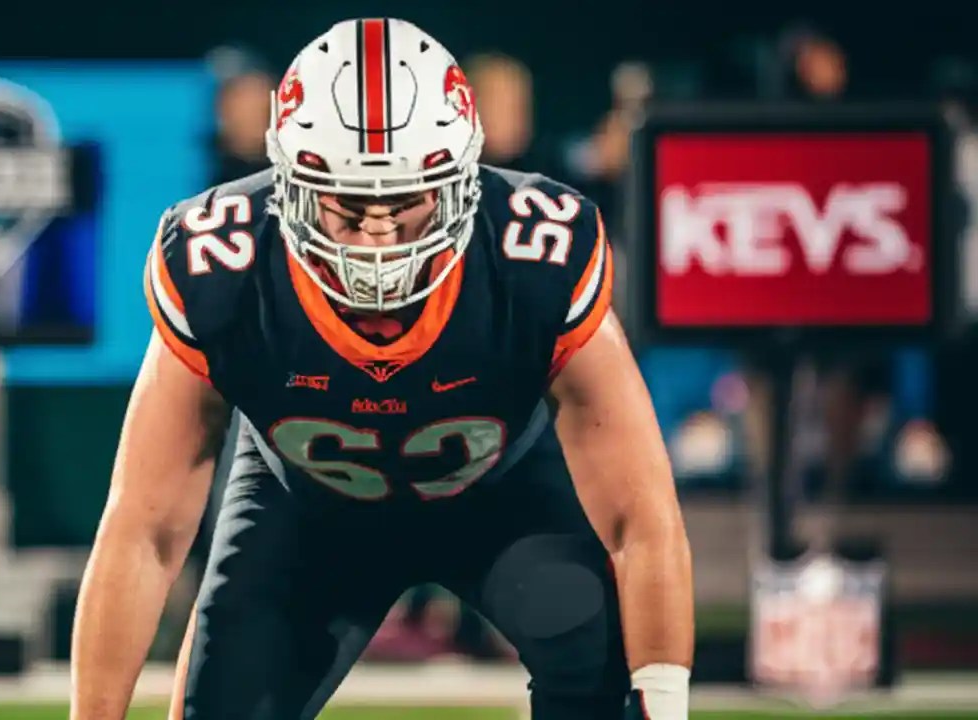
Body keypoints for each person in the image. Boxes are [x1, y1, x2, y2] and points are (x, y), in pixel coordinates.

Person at [70, 18, 693, 720]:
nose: (377, 234)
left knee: (600, 670)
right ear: (290, 183)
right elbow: (143, 531)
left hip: (504, 502)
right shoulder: (223, 269)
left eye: (405, 201)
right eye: (346, 203)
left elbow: (641, 516)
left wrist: (664, 701)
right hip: (305, 512)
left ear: (464, 178)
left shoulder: (533, 256)